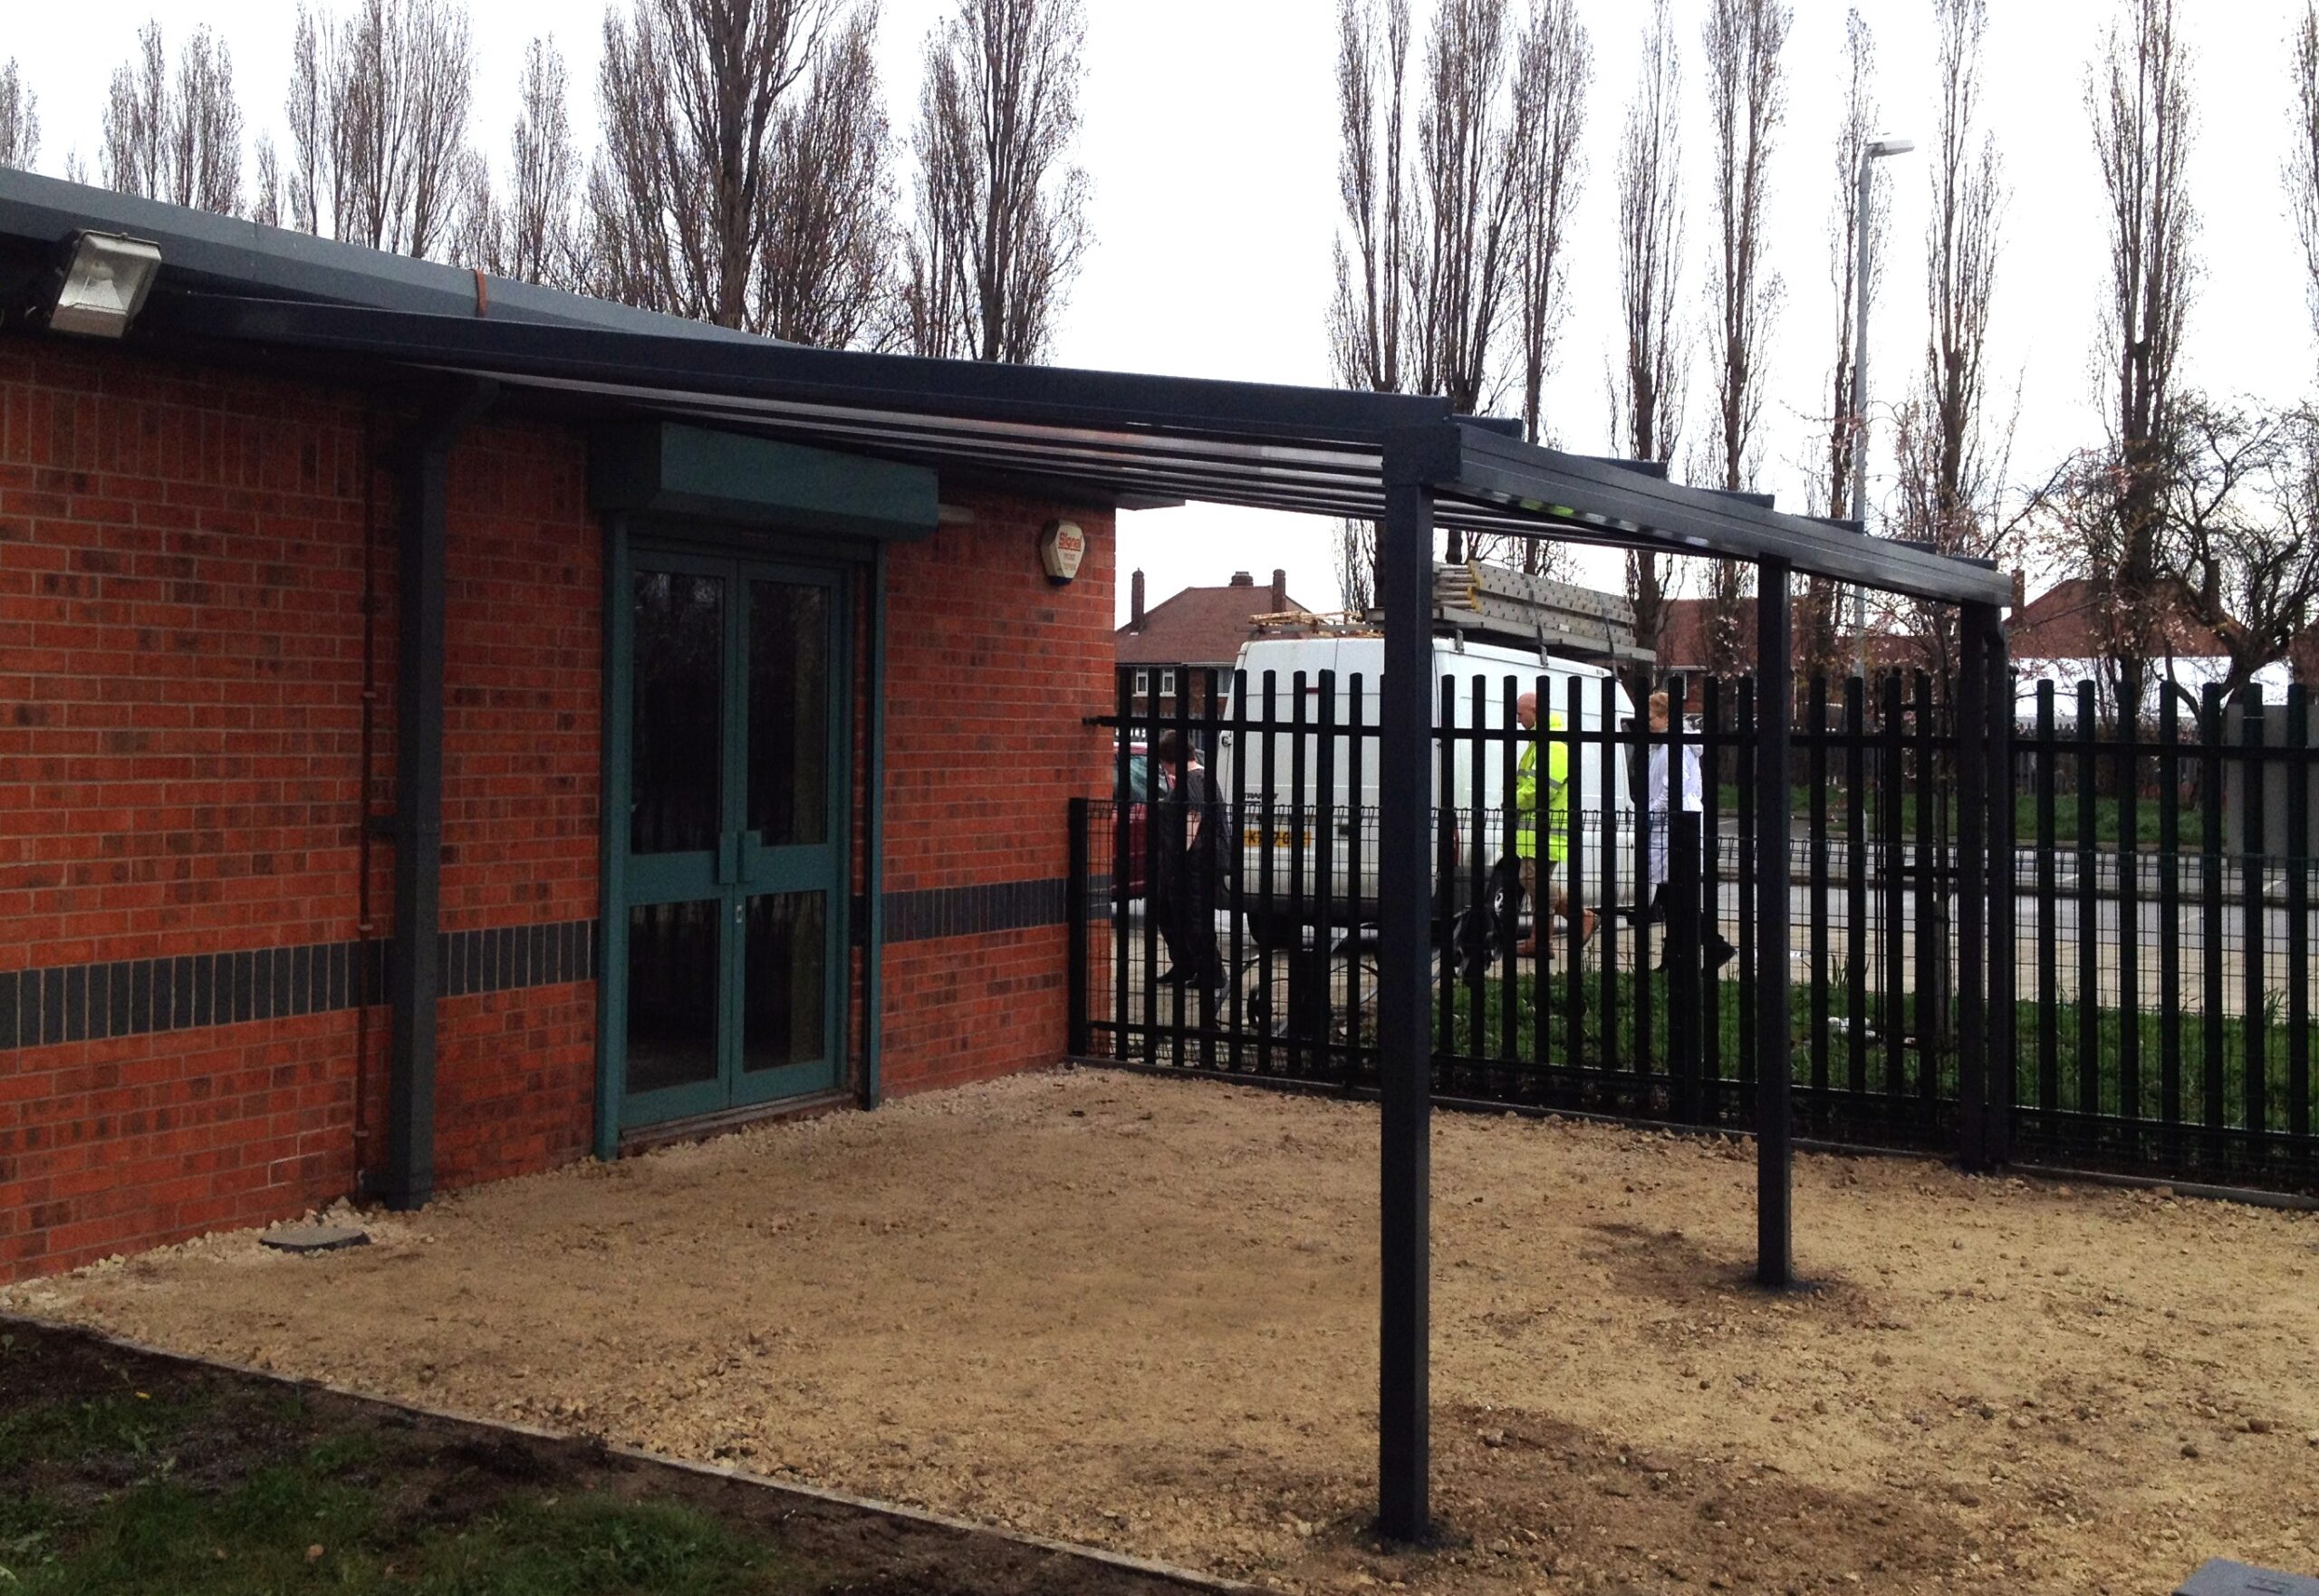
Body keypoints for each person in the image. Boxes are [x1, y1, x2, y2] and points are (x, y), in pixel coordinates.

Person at [1643, 688, 1734, 972]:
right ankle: (1676, 955)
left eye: (1650, 717)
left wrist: (1652, 813)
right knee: (1671, 895)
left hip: (1677, 824)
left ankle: (1713, 946)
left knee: (1677, 895)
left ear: (1665, 717)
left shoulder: (1674, 745)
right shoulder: (1666, 745)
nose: (1646, 723)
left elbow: (1673, 787)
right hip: (1675, 823)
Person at [1512, 691, 1593, 957]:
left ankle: (1581, 916)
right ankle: (1540, 942)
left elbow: (1542, 789)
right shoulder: (1540, 742)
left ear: (1535, 710)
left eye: (1520, 713)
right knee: (1537, 886)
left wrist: (1513, 799)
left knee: (1532, 879)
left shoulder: (1553, 746)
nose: (1518, 719)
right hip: (1538, 829)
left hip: (1547, 830)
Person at [1150, 729, 1223, 993]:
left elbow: (1193, 821)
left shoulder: (1193, 781)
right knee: (1169, 912)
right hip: (1189, 861)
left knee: (1193, 916)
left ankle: (1211, 972)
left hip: (1193, 863)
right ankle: (1186, 964)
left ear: (1170, 760)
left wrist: (1179, 857)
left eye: (1164, 763)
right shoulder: (1199, 779)